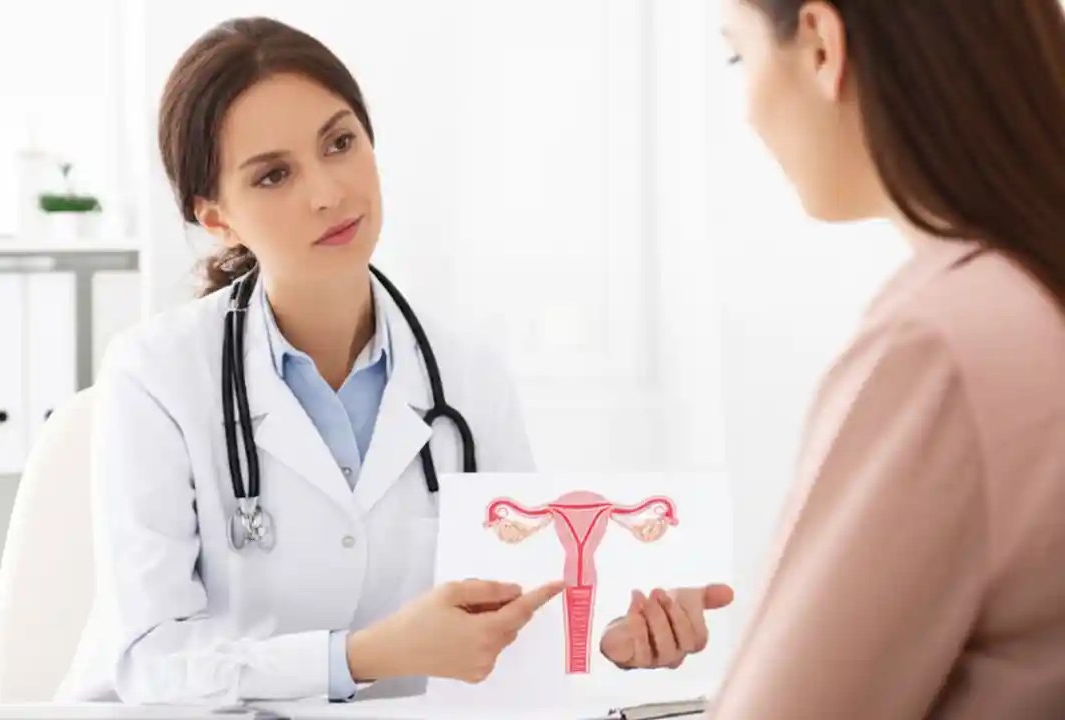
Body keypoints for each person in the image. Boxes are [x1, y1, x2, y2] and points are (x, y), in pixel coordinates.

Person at [58, 16, 723, 705]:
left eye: (340, 143)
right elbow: (149, 664)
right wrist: (365, 656)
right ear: (216, 217)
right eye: (274, 175)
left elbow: (512, 622)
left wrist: (612, 644)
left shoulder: (469, 380)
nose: (328, 192)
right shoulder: (155, 376)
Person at [602, 0, 1065, 716]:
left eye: (739, 56)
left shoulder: (940, 344)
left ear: (820, 44)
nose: (749, 113)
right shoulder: (1032, 297)